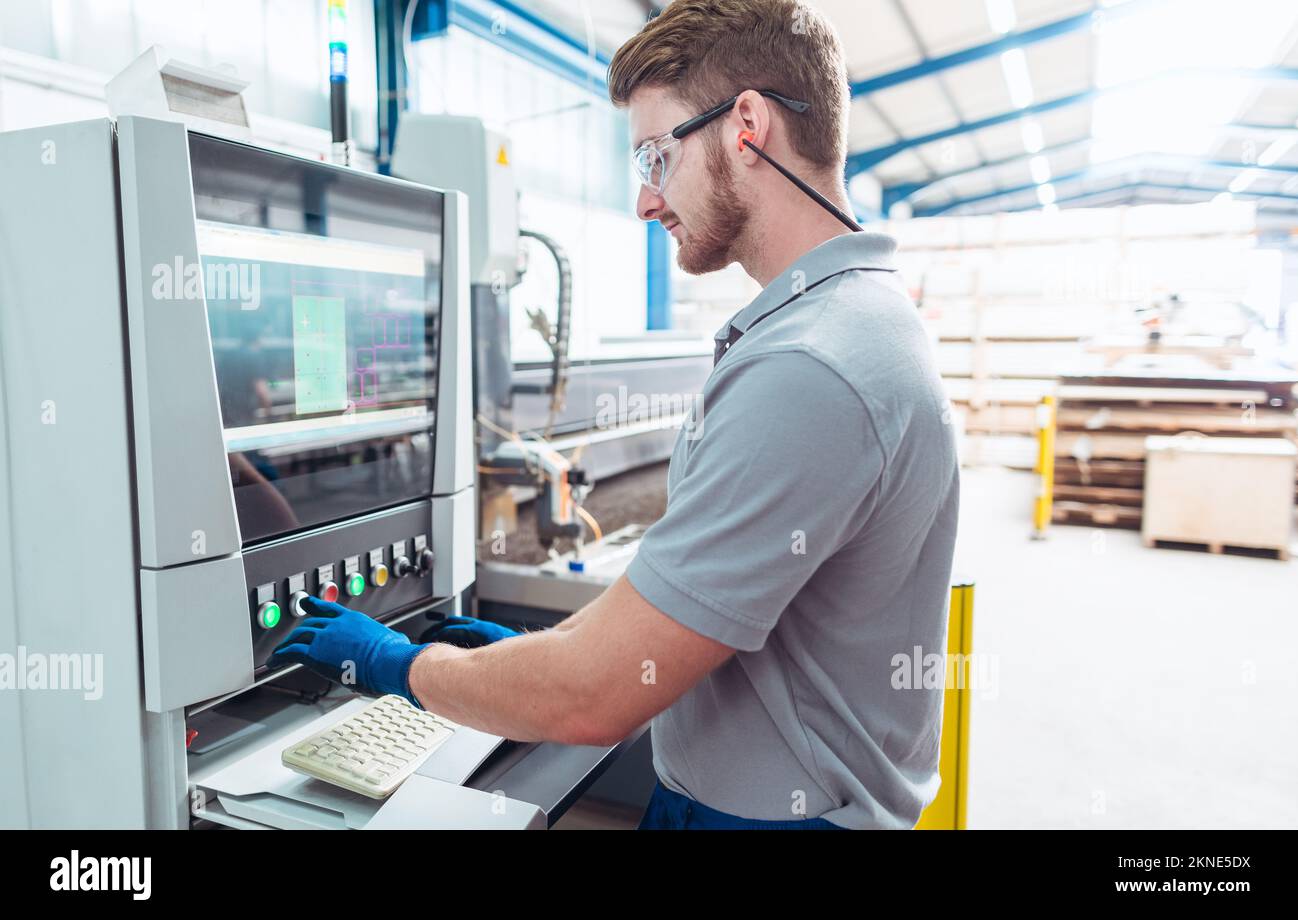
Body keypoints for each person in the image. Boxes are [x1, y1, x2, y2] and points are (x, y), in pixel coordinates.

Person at [272, 0, 959, 830]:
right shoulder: (864, 320)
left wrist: (396, 665)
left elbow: (594, 699)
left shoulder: (806, 367)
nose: (644, 200)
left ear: (747, 124)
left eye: (654, 157)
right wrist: (529, 661)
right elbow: (702, 618)